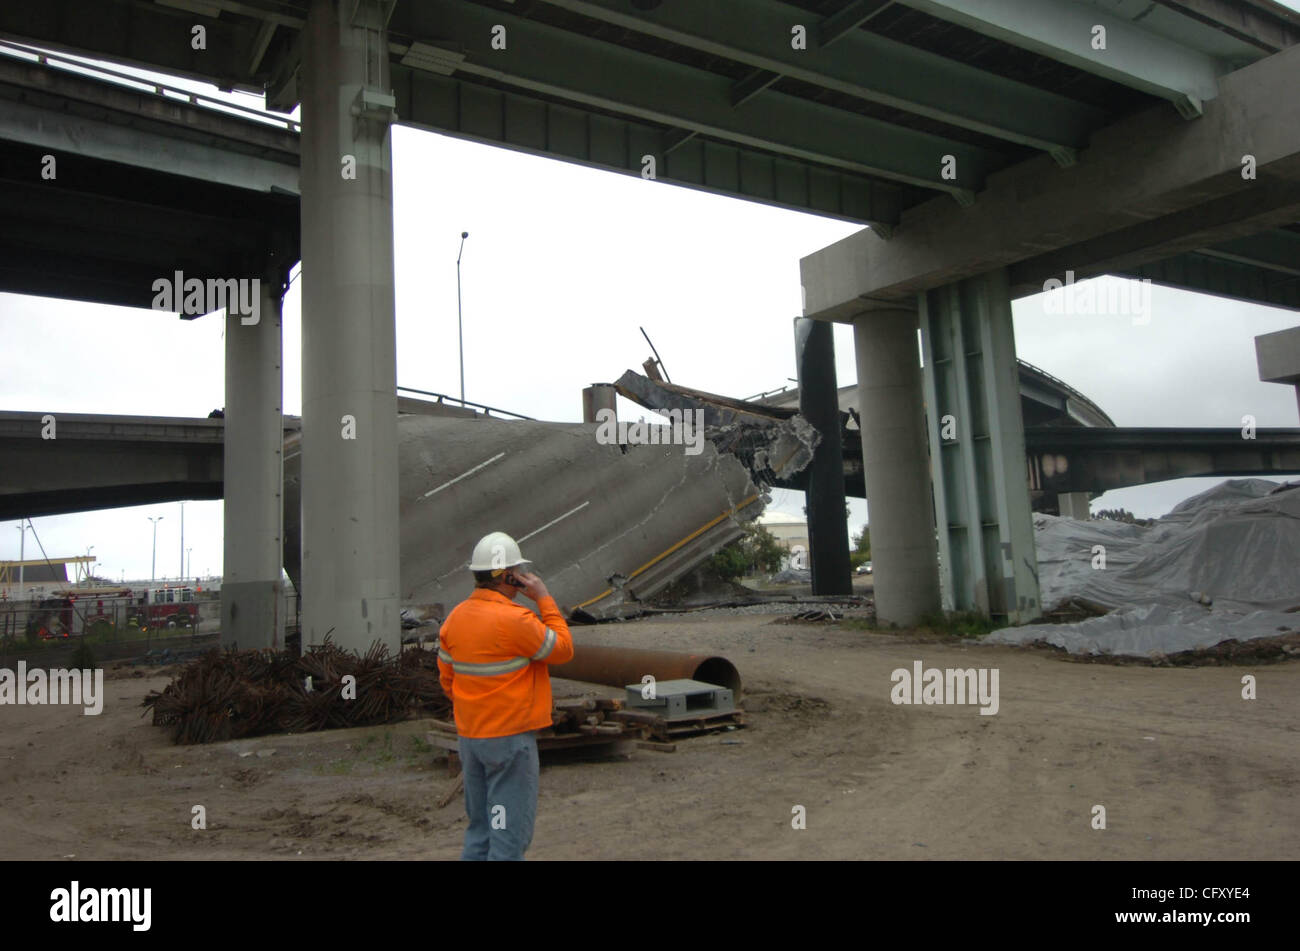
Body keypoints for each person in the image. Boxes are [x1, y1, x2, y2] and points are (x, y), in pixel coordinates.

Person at [437, 531, 574, 860]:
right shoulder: (516, 620)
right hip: (509, 741)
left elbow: (447, 680)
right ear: (510, 576)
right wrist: (543, 598)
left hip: (471, 739)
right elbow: (564, 649)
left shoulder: (455, 619)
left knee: (482, 829)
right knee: (508, 835)